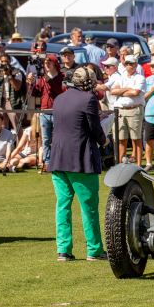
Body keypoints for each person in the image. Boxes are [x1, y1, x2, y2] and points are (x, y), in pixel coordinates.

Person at [48, 66, 109, 262]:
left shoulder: (59, 98)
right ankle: (94, 250)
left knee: (63, 206)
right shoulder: (89, 99)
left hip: (58, 159)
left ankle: (63, 250)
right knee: (88, 206)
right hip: (80, 159)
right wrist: (104, 141)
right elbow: (95, 128)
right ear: (88, 82)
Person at [28, 54, 64, 173]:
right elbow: (34, 93)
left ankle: (60, 162)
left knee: (59, 139)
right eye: (45, 63)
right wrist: (31, 84)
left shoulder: (62, 77)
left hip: (58, 112)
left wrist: (50, 82)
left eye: (49, 62)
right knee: (45, 140)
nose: (47, 65)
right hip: (44, 112)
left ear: (55, 63)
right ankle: (46, 163)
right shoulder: (41, 77)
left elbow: (62, 92)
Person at [112, 55, 146, 166]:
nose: (128, 65)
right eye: (126, 63)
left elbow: (135, 93)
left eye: (131, 63)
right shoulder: (120, 77)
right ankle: (121, 166)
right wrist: (127, 89)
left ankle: (139, 166)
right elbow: (112, 91)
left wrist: (120, 91)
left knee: (136, 139)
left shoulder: (140, 78)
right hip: (120, 110)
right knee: (121, 139)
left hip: (134, 110)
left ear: (136, 64)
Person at [0, 52, 25, 132]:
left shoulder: (16, 71)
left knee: (16, 125)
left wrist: (9, 75)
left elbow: (17, 87)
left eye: (6, 61)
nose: (4, 63)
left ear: (10, 61)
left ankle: (19, 140)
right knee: (2, 125)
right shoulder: (1, 72)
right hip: (2, 101)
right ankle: (4, 140)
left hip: (12, 101)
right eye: (2, 62)